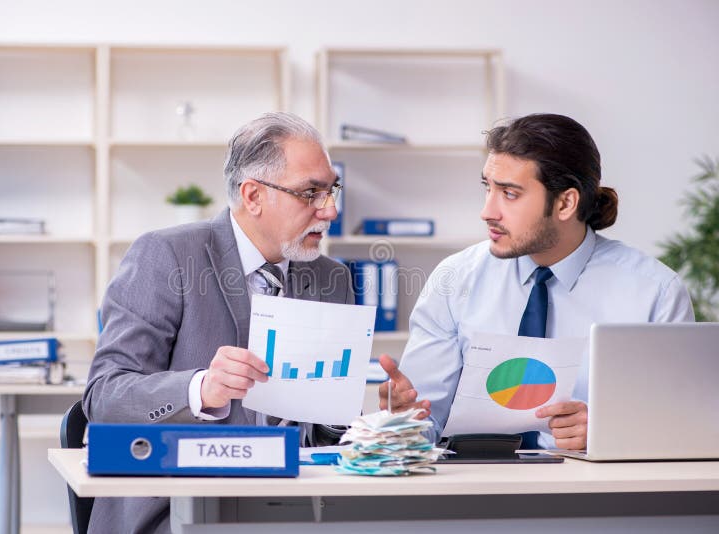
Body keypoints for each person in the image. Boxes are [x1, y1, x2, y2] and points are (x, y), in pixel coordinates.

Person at [83, 111, 353, 533]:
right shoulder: (167, 256)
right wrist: (201, 389)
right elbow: (105, 396)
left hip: (299, 508)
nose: (330, 209)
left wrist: (374, 417)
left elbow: (325, 431)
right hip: (176, 505)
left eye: (331, 189)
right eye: (310, 193)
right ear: (253, 195)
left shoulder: (330, 277)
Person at [379, 113, 694, 450]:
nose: (488, 211)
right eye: (488, 188)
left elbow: (685, 429)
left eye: (510, 194)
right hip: (473, 489)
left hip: (594, 495)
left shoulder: (654, 293)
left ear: (565, 203)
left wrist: (614, 434)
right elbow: (422, 424)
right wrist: (405, 419)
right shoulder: (454, 279)